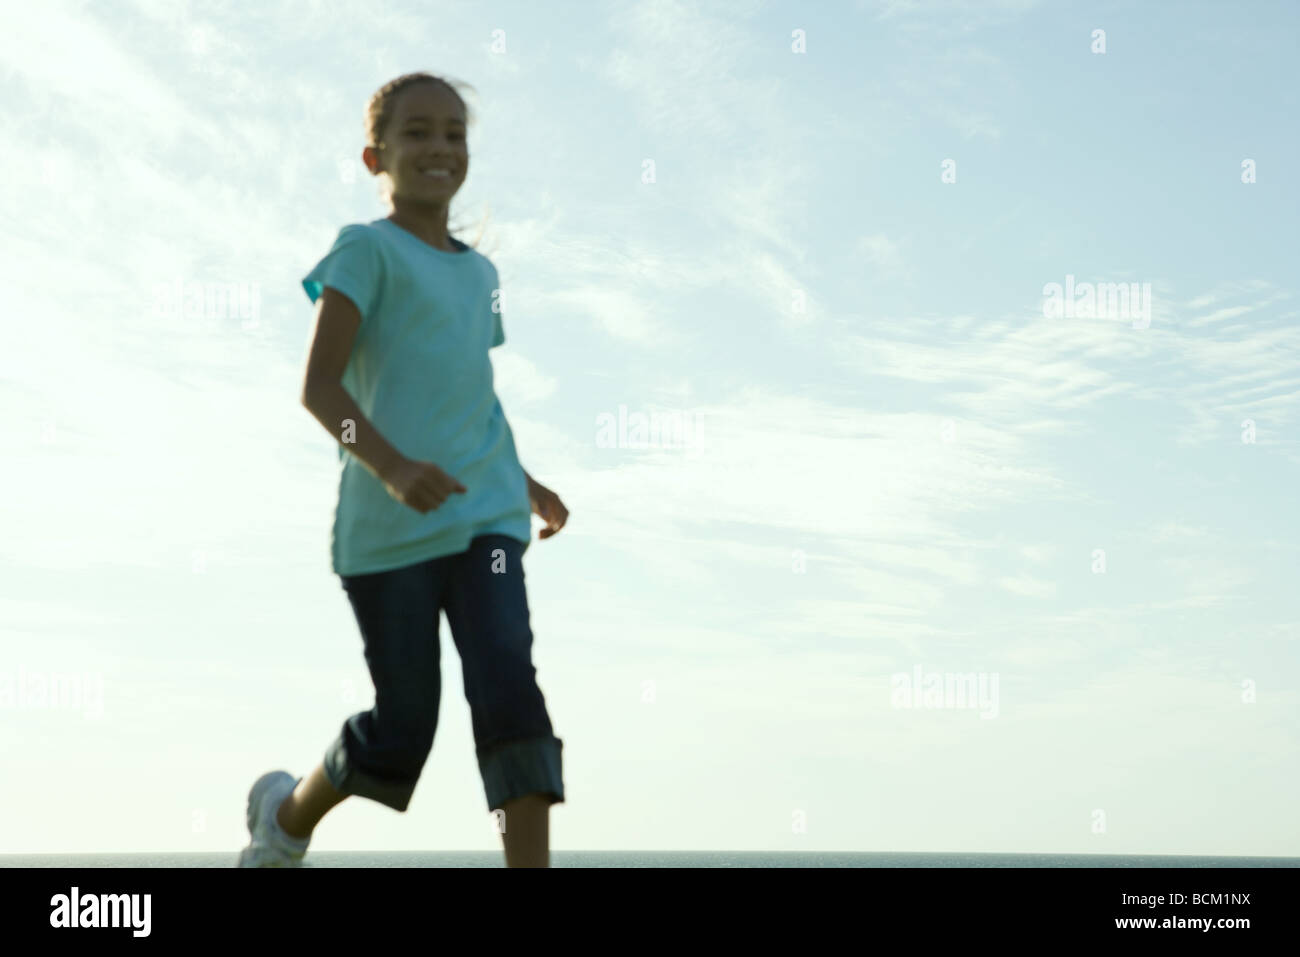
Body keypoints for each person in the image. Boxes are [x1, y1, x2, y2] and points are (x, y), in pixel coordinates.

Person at [237, 72, 569, 869]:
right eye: (417, 132)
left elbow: (469, 397)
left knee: (509, 686)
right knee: (403, 725)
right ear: (374, 155)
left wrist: (524, 484)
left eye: (453, 133)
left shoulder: (482, 278)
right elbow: (319, 388)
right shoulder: (365, 249)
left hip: (487, 519)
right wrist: (388, 466)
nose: (440, 148)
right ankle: (285, 817)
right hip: (389, 537)